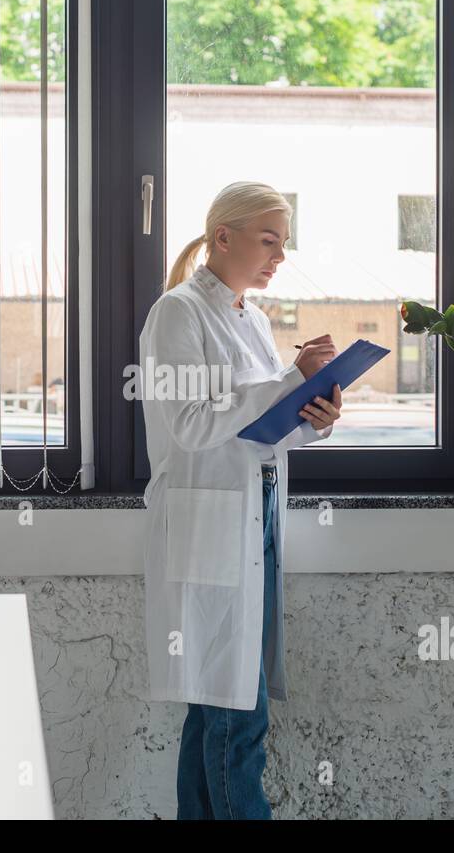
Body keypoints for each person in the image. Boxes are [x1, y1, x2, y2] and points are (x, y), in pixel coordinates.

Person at [138, 180, 342, 819]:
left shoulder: (250, 316)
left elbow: (257, 428)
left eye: (283, 243)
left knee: (213, 711)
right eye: (268, 240)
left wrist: (314, 413)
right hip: (212, 527)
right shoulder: (178, 312)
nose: (278, 256)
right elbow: (192, 424)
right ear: (222, 237)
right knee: (236, 716)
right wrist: (289, 381)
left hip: (258, 517)